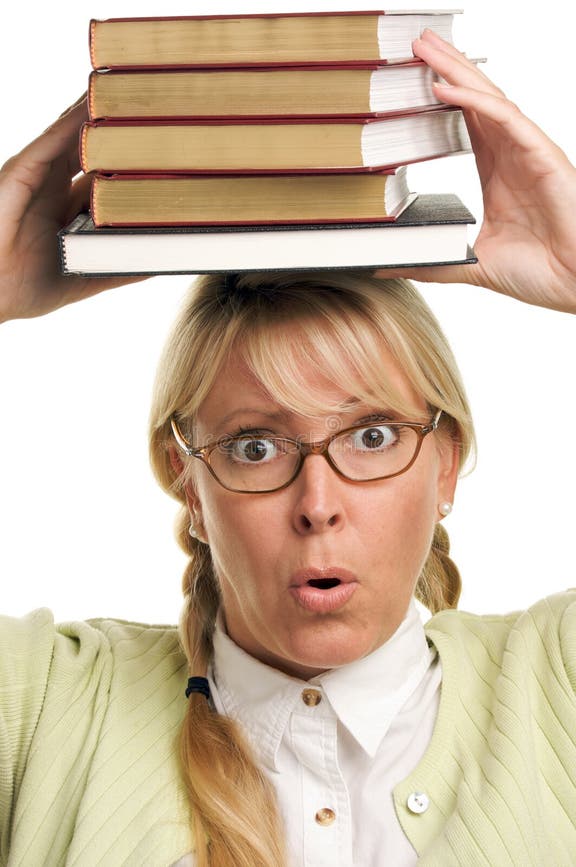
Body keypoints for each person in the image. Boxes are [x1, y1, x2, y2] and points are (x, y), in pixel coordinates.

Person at [1, 29, 575, 867]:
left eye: (372, 436)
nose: (318, 504)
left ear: (446, 463)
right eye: (256, 446)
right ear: (186, 482)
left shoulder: (555, 689)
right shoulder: (45, 706)